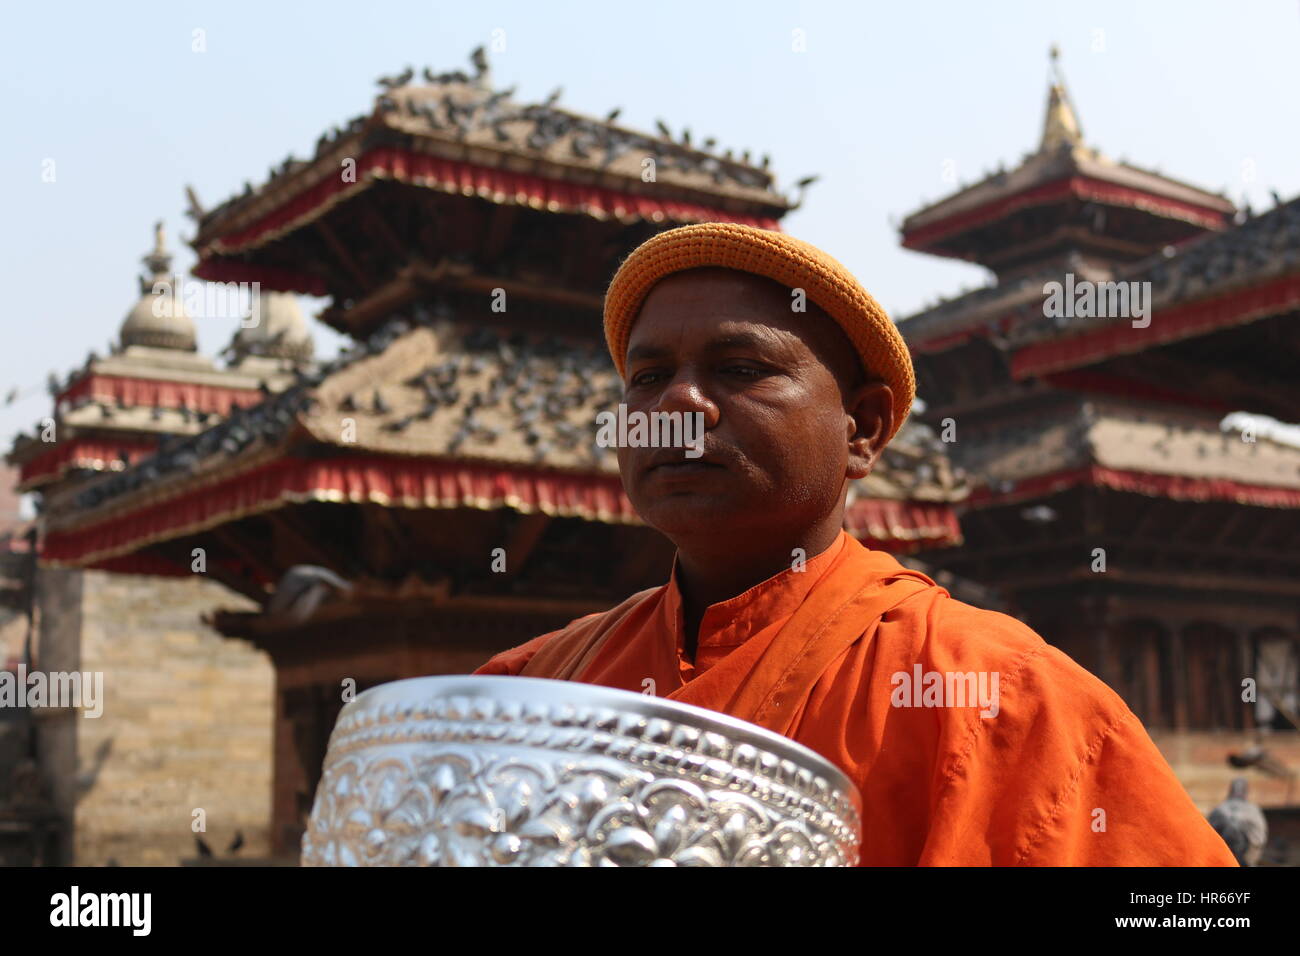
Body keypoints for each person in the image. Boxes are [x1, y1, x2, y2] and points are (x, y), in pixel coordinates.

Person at [475, 222, 1236, 866]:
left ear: (863, 428)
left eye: (740, 369)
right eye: (647, 377)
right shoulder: (531, 684)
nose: (678, 403)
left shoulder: (1001, 696)